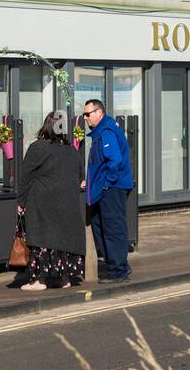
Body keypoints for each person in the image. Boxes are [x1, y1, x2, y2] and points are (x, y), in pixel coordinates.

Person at [16, 111, 85, 290]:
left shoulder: (38, 148)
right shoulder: (72, 151)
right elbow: (80, 177)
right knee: (62, 240)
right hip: (67, 204)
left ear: (46, 126)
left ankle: (39, 281)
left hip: (42, 203)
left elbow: (25, 177)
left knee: (41, 240)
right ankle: (64, 279)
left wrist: (21, 202)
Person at [81, 99, 134, 282]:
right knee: (99, 226)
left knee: (113, 228)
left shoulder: (106, 131)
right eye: (84, 114)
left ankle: (118, 271)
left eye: (88, 114)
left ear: (99, 112)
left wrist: (105, 184)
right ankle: (119, 264)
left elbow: (114, 162)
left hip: (112, 188)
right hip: (104, 187)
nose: (85, 118)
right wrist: (91, 181)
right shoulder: (101, 131)